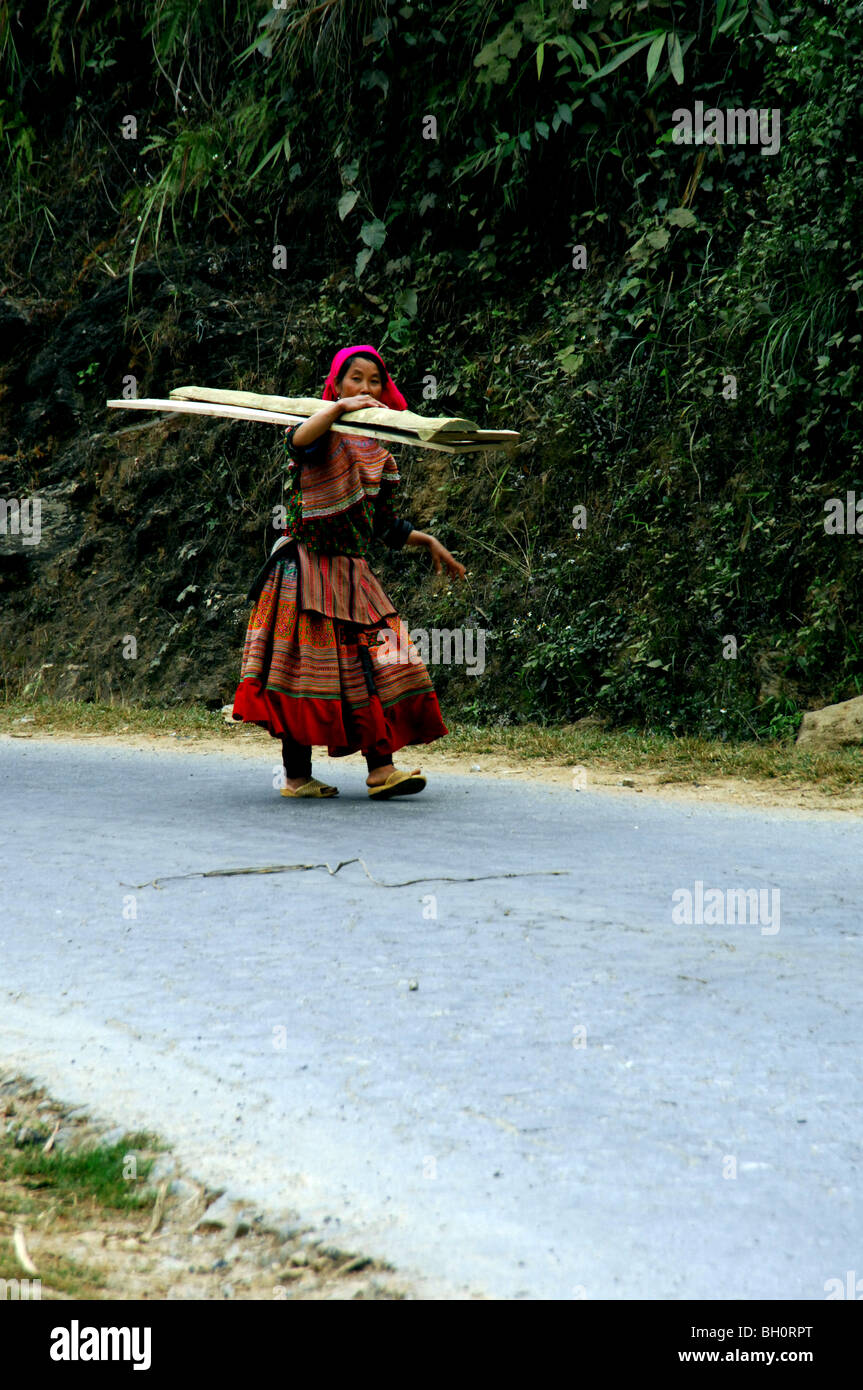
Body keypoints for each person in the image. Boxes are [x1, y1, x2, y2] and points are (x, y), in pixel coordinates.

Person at [231, 343, 466, 800]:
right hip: (303, 574)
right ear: (337, 385)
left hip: (352, 576)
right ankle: (296, 777)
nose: (366, 388)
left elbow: (382, 526)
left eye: (374, 381)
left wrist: (427, 540)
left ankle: (382, 770)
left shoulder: (380, 452)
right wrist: (337, 409)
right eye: (354, 378)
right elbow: (297, 440)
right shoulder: (319, 432)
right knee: (299, 674)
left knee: (380, 664)